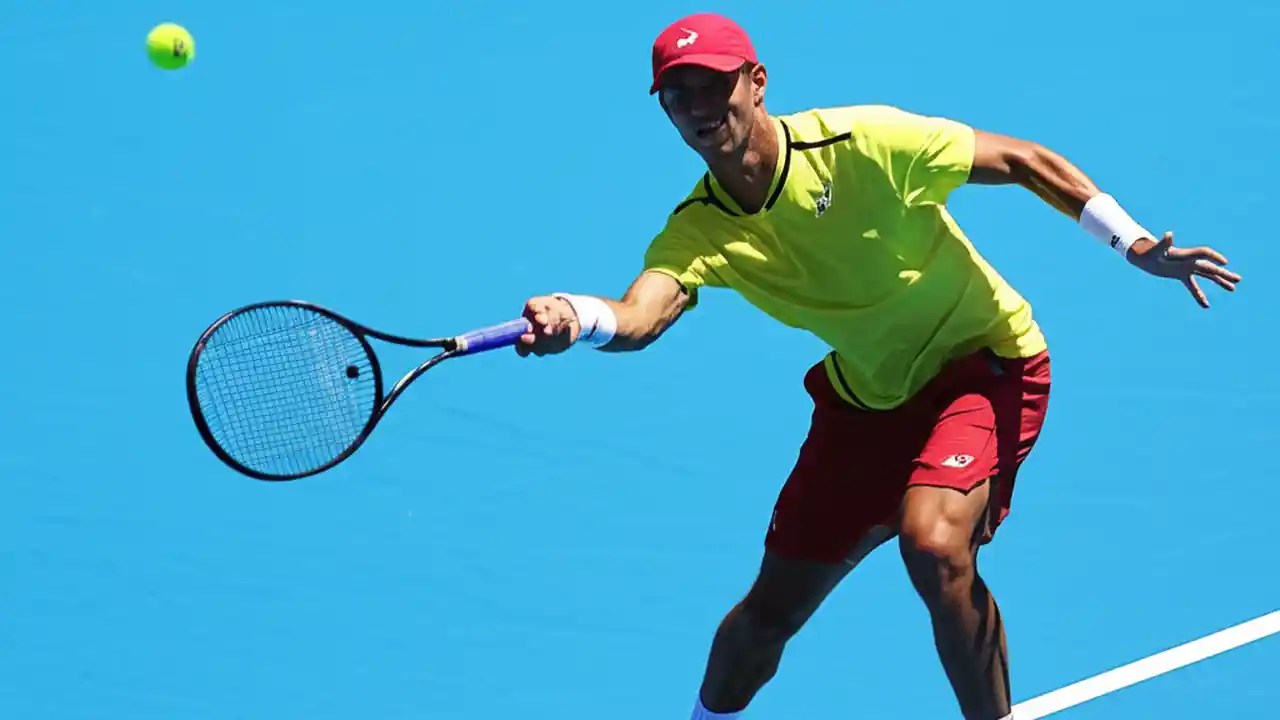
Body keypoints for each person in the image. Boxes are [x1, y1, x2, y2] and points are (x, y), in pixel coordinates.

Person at [513, 12, 1241, 720]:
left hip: (986, 363)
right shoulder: (697, 231)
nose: (700, 106)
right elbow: (640, 315)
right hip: (871, 402)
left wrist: (1135, 244)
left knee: (933, 543)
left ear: (757, 81)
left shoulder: (861, 142)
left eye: (713, 84)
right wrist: (578, 317)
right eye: (679, 93)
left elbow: (1023, 161)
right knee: (767, 617)